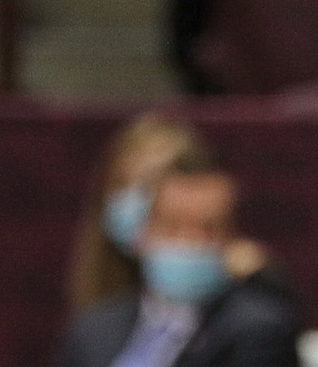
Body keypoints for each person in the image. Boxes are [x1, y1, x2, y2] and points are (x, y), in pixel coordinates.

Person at [24, 157, 301, 367]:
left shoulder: (253, 331)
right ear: (141, 232)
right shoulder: (96, 329)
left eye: (208, 230)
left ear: (231, 239)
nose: (190, 242)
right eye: (172, 227)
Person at [66, 115, 268, 315]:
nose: (133, 199)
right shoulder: (99, 303)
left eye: (150, 184)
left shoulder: (242, 290)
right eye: (121, 183)